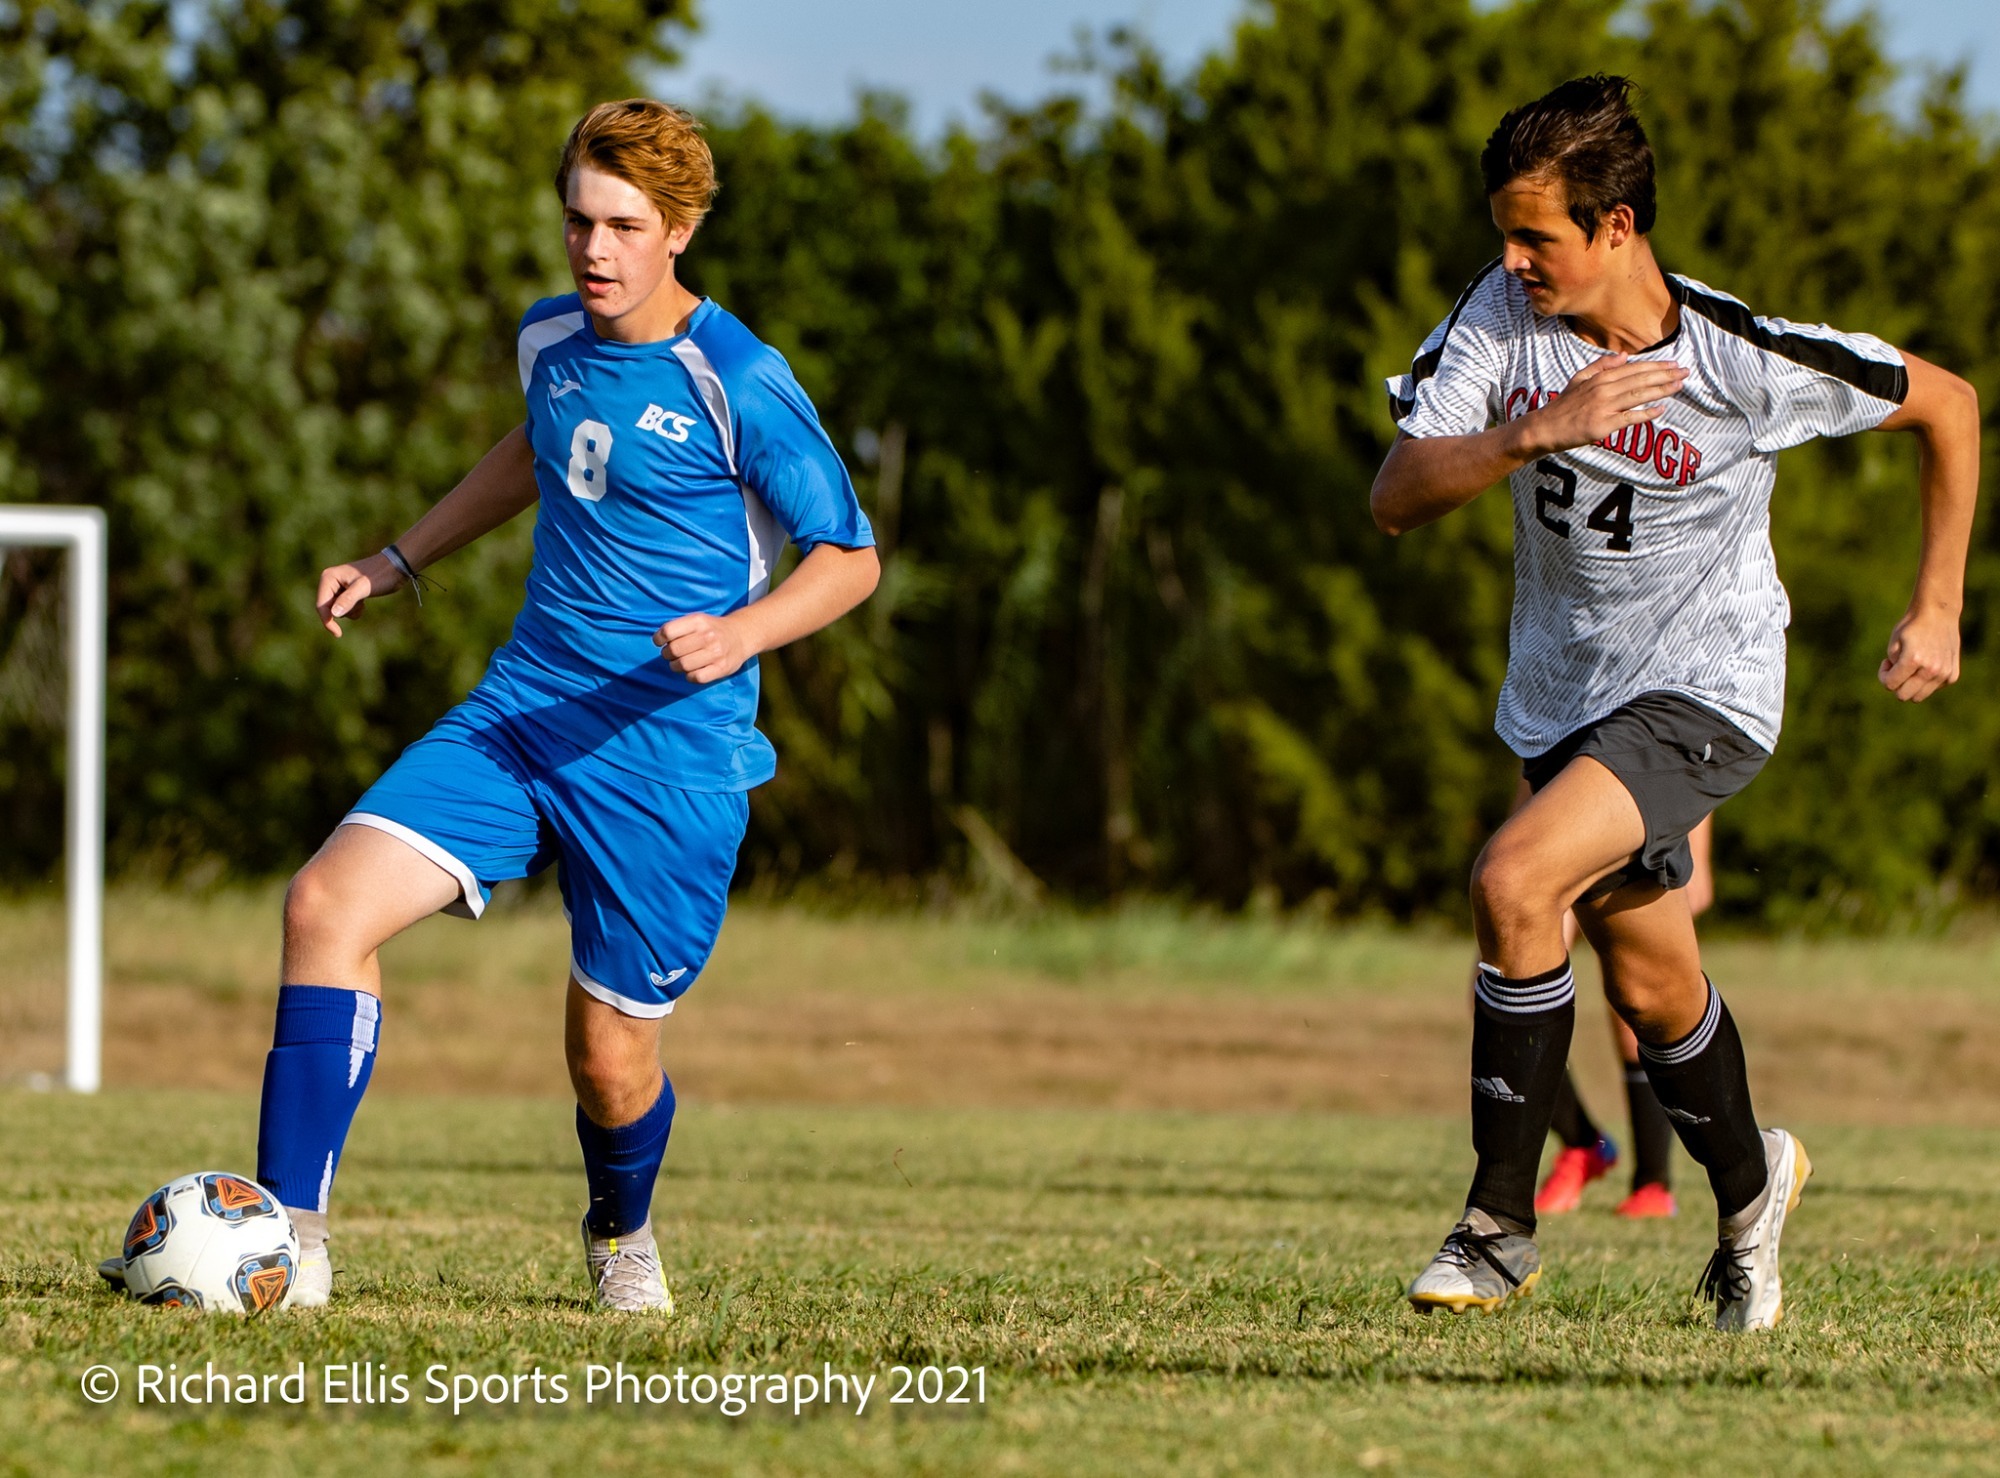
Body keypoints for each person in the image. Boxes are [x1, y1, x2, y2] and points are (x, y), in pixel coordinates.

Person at [101, 99, 880, 1311]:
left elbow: (850, 556)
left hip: (666, 758)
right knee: (323, 905)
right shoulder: (549, 339)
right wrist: (398, 558)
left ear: (677, 230)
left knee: (607, 1058)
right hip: (521, 715)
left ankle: (621, 1231)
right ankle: (283, 1249)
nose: (594, 248)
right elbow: (536, 446)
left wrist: (740, 633)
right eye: (578, 219)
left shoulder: (738, 377)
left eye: (623, 225)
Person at [1374, 75, 1977, 1330]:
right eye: (1504, 230)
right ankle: (1754, 1192)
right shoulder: (1497, 318)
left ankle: (1495, 1223)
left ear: (1616, 229)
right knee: (1650, 989)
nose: (1510, 256)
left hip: (1704, 688)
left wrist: (1936, 605)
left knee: (1510, 879)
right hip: (1560, 705)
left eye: (1535, 234)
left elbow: (1948, 404)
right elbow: (1397, 491)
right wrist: (1532, 431)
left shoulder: (1733, 358)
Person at [1533, 812, 1711, 1220]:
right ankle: (1582, 1144)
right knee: (1504, 985)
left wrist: (1696, 845)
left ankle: (1652, 1183)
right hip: (1558, 841)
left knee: (1636, 1000)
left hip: (1631, 831)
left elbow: (1677, 752)